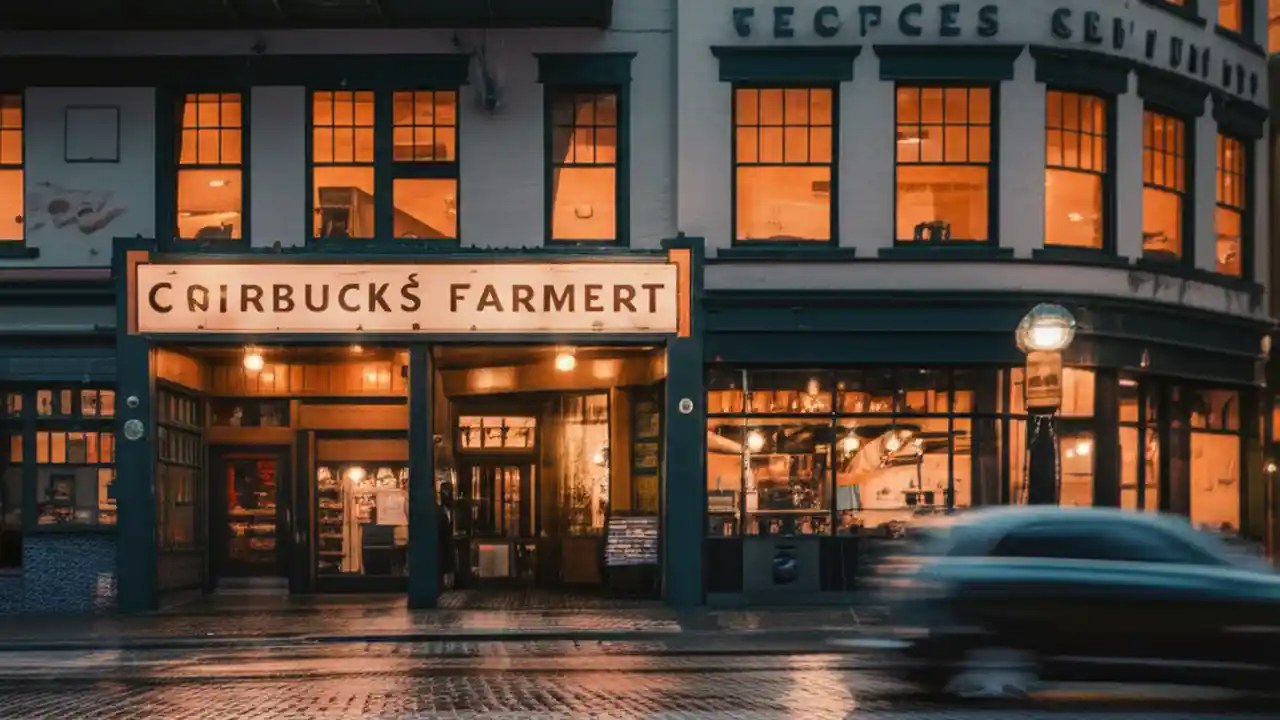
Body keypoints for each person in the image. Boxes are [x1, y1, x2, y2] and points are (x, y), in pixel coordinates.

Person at [437, 482, 456, 589]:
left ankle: (449, 584)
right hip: (443, 542)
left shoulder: (452, 510)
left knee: (449, 563)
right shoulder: (439, 511)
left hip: (448, 542)